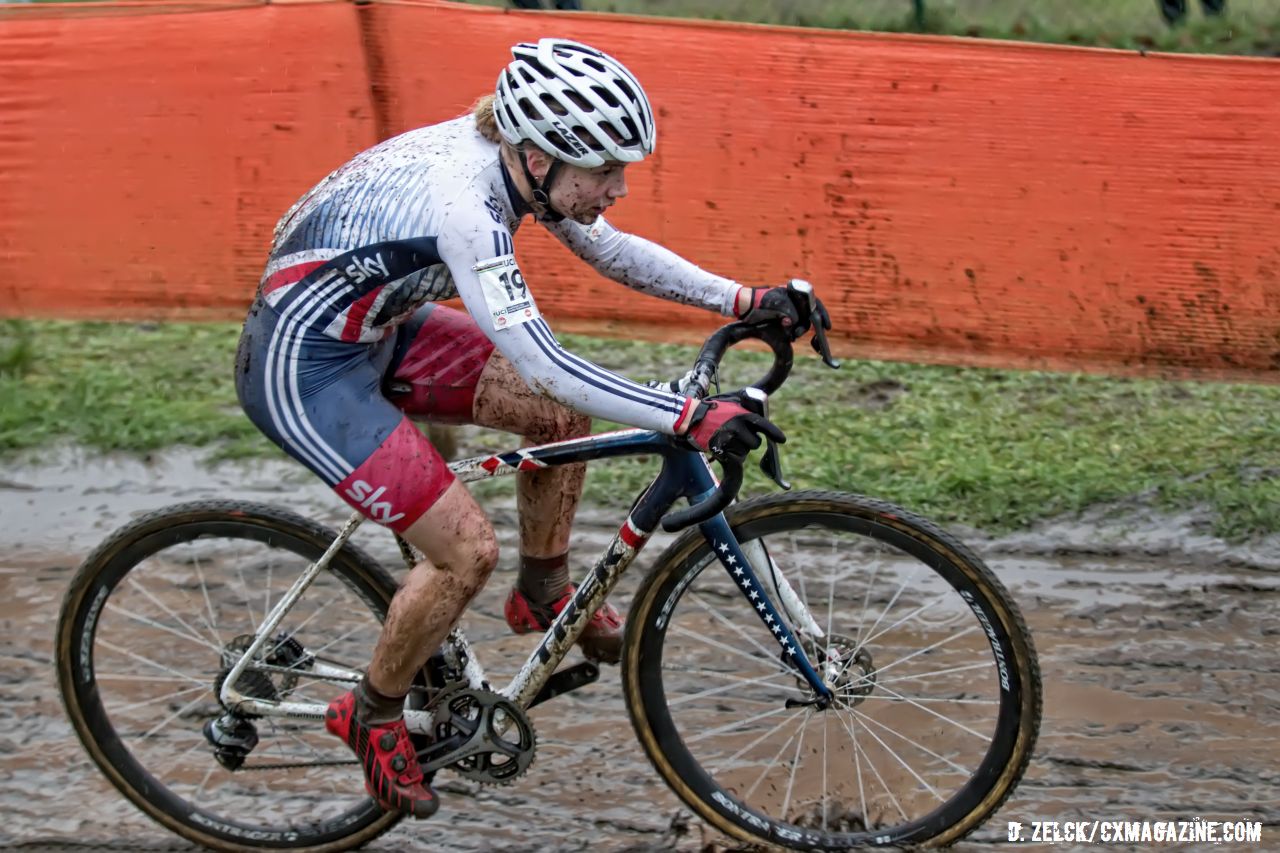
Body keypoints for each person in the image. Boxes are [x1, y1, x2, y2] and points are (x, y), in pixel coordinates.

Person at [234, 38, 821, 818]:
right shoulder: (467, 207)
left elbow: (608, 253)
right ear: (540, 154)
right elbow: (544, 359)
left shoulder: (520, 167)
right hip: (305, 365)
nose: (616, 186)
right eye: (606, 168)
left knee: (554, 420)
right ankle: (371, 711)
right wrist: (689, 414)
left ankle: (543, 589)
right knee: (463, 550)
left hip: (379, 323)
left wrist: (742, 300)